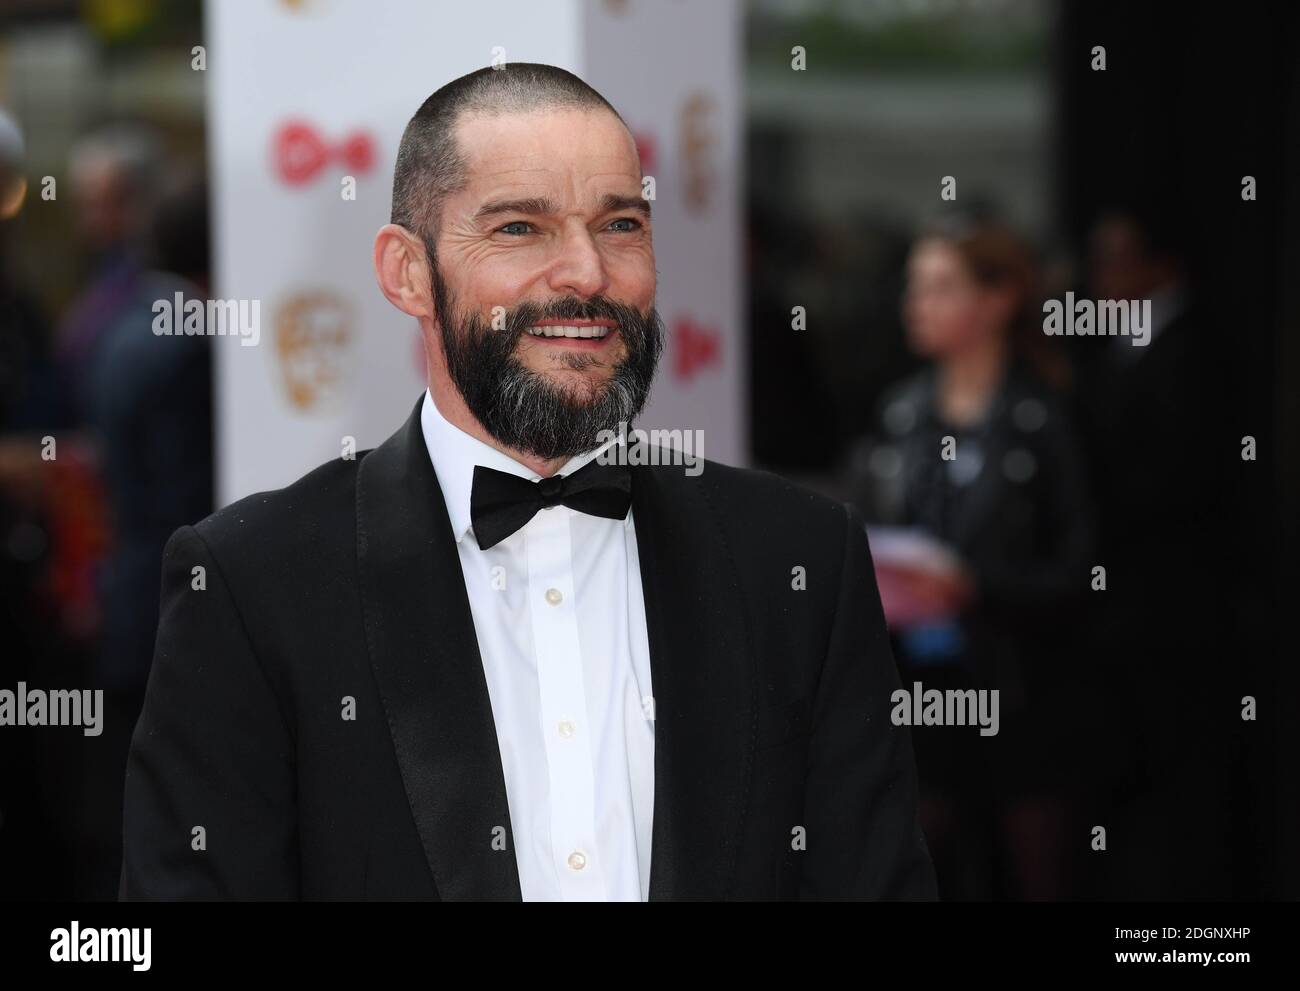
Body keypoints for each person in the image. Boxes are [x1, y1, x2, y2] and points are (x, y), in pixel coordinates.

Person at [120, 64, 936, 901]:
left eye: (620, 223)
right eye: (520, 228)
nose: (586, 272)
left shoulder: (800, 562)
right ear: (408, 272)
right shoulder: (255, 587)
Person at [846, 212, 1094, 899]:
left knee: (1033, 866)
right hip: (921, 686)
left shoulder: (1045, 418)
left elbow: (1084, 571)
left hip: (1021, 688)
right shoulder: (900, 414)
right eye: (914, 286)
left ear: (998, 299)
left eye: (939, 286)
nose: (916, 304)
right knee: (924, 865)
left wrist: (975, 584)